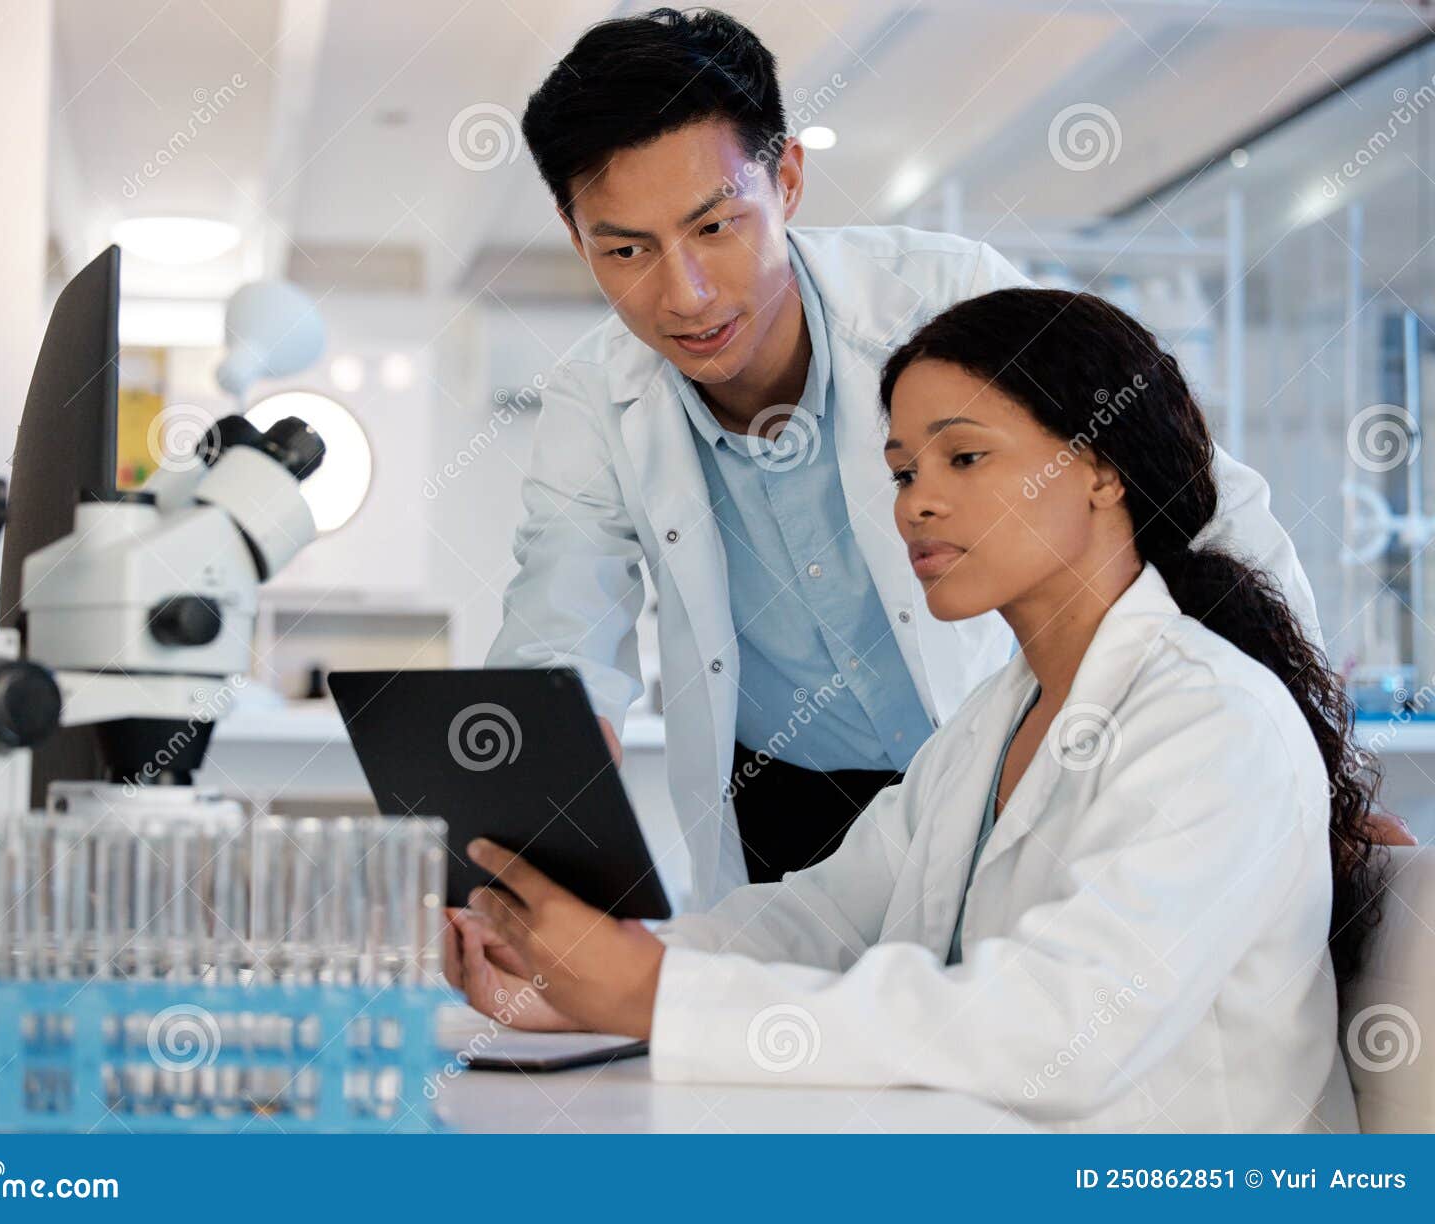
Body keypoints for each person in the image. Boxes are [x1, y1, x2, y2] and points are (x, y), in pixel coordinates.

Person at [447, 288, 1384, 1132]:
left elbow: (1063, 1030)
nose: (916, 507)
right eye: (902, 472)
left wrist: (659, 996)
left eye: (964, 458)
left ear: (1102, 471)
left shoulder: (1212, 721)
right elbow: (826, 920)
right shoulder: (995, 722)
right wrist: (599, 970)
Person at [485, 7, 1350, 905]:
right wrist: (533, 792)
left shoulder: (941, 298)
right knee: (783, 1010)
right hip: (780, 794)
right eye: (625, 249)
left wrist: (1317, 772)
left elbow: (1196, 501)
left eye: (715, 228)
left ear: (785, 180)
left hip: (989, 754)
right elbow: (561, 611)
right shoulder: (594, 397)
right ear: (572, 228)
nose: (685, 293)